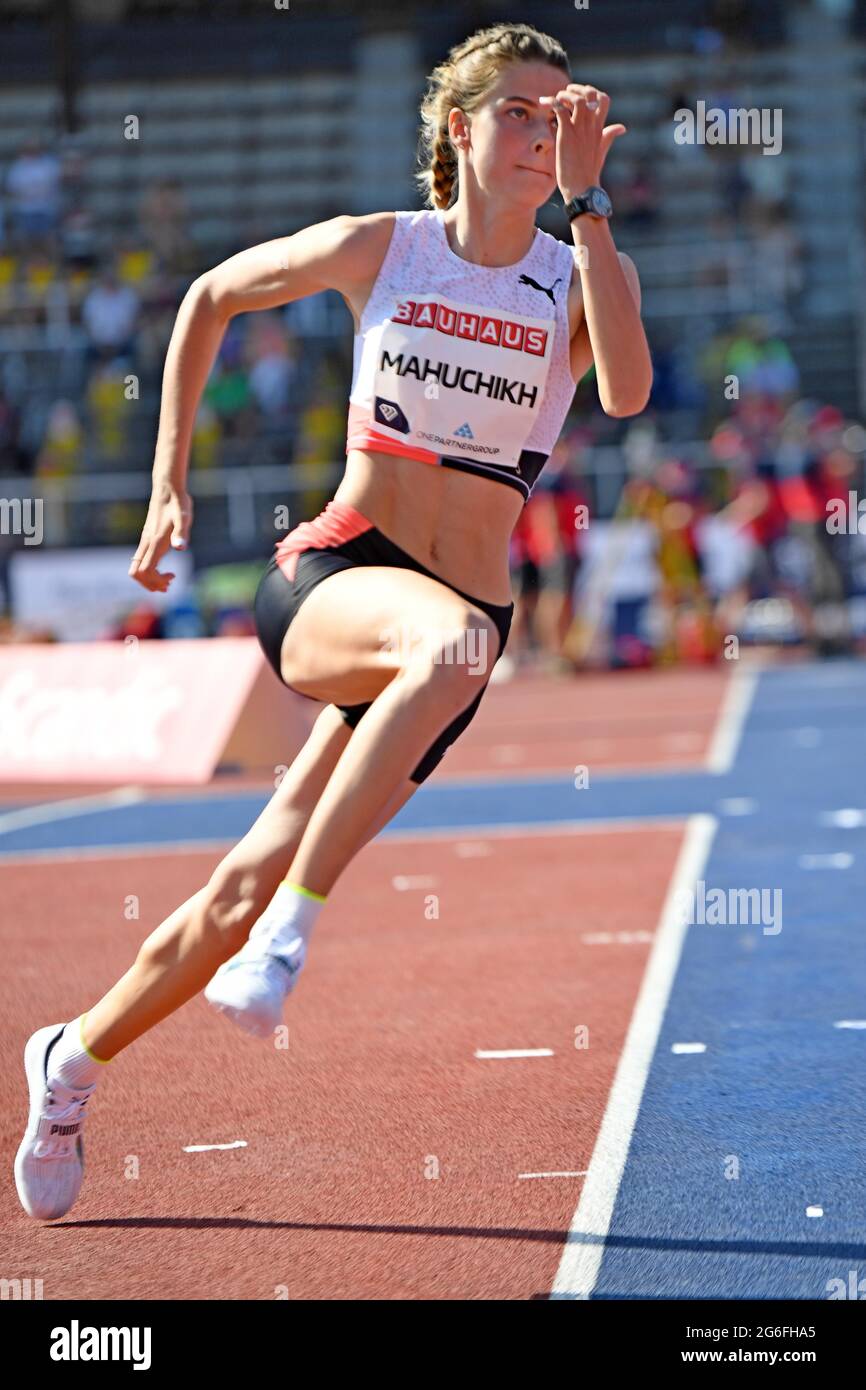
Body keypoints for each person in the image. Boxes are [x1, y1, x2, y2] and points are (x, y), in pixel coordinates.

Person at [14, 21, 651, 1222]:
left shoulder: (574, 270)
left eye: (562, 113)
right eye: (518, 111)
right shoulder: (384, 247)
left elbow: (622, 389)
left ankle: (71, 1060)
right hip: (341, 573)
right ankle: (291, 945)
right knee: (439, 653)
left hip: (454, 628)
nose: (542, 133)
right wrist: (169, 484)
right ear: (456, 129)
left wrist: (590, 205)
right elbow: (207, 296)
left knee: (241, 880)